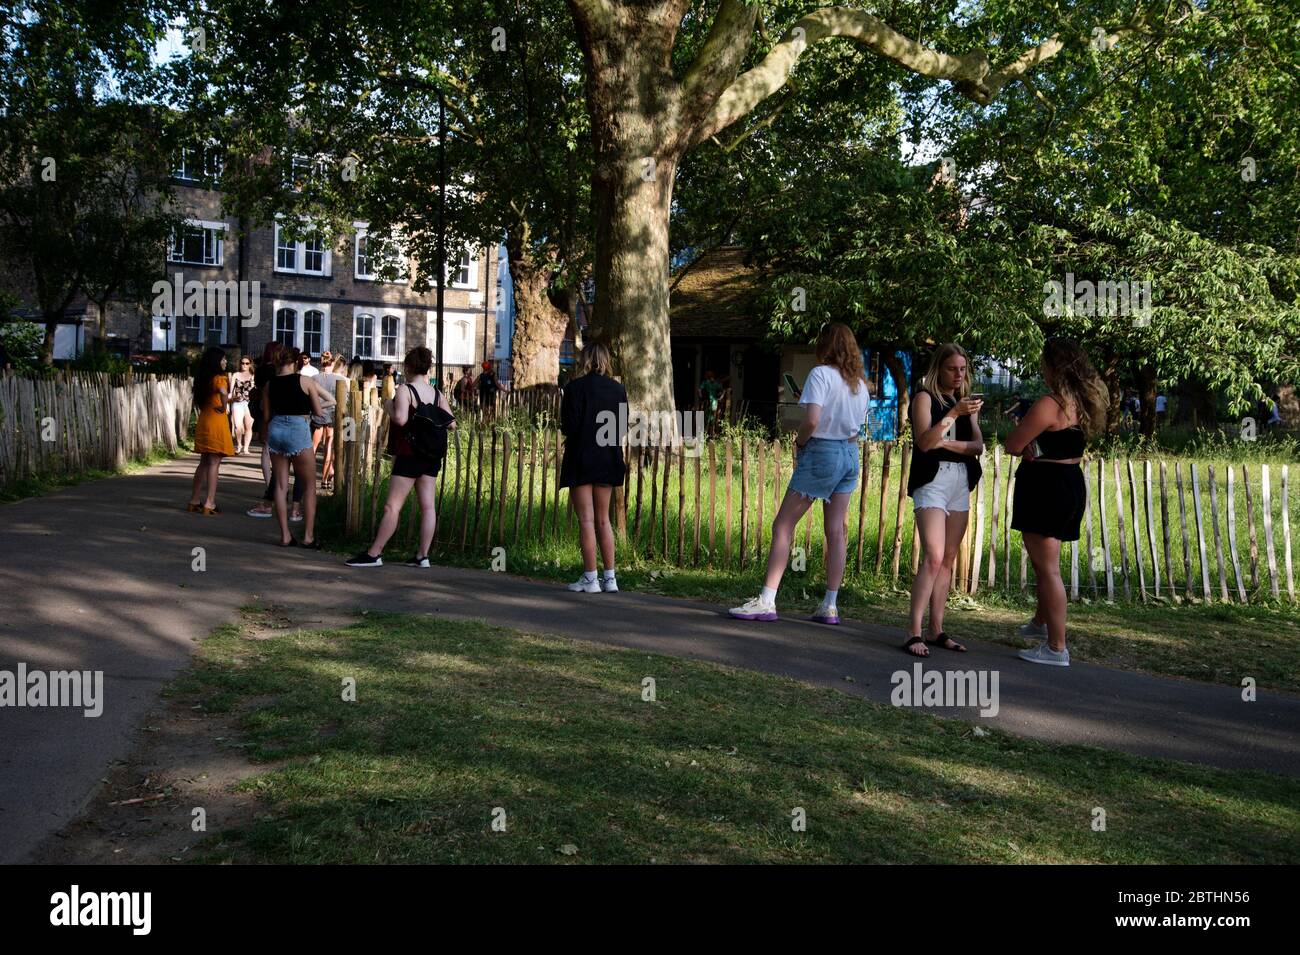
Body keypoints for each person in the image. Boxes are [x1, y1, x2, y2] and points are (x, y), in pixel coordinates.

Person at [730, 323, 871, 624]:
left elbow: (812, 420)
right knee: (837, 532)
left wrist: (800, 441)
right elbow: (857, 426)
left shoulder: (820, 374)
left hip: (822, 451)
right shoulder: (860, 383)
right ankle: (830, 605)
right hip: (849, 453)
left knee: (783, 525)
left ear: (825, 346)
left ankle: (767, 600)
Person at [1005, 337, 1108, 667]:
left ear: (1054, 366)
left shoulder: (1051, 403)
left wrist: (1025, 436)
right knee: (1044, 562)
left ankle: (1056, 647)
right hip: (1069, 484)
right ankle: (1040, 623)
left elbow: (1013, 444)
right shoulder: (1084, 402)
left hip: (1045, 488)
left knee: (1047, 568)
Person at [901, 344, 984, 656]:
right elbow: (924, 442)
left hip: (960, 480)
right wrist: (952, 415)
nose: (959, 375)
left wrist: (947, 443)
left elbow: (977, 447)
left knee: (949, 558)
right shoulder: (925, 398)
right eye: (953, 369)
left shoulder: (965, 403)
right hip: (932, 482)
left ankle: (936, 629)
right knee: (933, 556)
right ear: (940, 369)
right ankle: (913, 631)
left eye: (963, 369)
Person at [346, 346, 454, 567]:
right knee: (428, 507)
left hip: (409, 454)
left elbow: (401, 419)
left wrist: (388, 406)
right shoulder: (437, 394)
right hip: (431, 456)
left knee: (392, 506)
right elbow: (452, 423)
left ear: (409, 366)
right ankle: (422, 556)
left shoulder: (406, 390)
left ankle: (374, 554)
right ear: (428, 368)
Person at [558, 339, 627, 593]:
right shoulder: (617, 390)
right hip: (608, 456)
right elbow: (620, 427)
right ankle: (610, 578)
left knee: (586, 520)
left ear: (585, 360)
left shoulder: (574, 388)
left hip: (581, 456)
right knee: (603, 520)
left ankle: (590, 578)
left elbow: (569, 427)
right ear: (606, 360)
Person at [262, 346, 323, 548]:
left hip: (276, 428)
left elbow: (266, 416)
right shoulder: (305, 381)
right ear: (296, 361)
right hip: (298, 429)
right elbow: (318, 410)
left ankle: (285, 536)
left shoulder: (269, 385)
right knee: (309, 486)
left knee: (280, 485)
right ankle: (308, 536)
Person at [247, 342, 305, 521]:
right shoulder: (301, 380)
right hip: (298, 426)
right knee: (301, 471)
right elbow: (324, 403)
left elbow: (265, 410)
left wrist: (265, 426)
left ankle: (270, 505)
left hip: (276, 423)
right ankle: (296, 510)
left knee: (279, 472)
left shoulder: (270, 379)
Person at [188, 347, 234, 515]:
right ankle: (210, 502)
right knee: (214, 463)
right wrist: (224, 405)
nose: (225, 362)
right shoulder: (220, 378)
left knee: (203, 463)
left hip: (204, 421)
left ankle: (194, 500)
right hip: (216, 421)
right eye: (223, 359)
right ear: (216, 361)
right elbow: (222, 392)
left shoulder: (203, 379)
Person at [315, 355, 349, 491]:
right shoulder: (342, 380)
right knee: (330, 446)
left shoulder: (316, 377)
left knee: (315, 446)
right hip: (333, 416)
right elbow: (345, 400)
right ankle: (326, 478)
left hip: (318, 414)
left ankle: (307, 477)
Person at [229, 355, 255, 455]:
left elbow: (255, 390)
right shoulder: (235, 375)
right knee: (238, 425)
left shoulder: (253, 375)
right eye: (242, 363)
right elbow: (230, 391)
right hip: (237, 402)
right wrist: (229, 403)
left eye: (247, 363)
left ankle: (246, 448)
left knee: (248, 427)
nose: (244, 365)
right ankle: (239, 445)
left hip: (249, 403)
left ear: (250, 364)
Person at [700, 369, 725, 434]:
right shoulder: (706, 382)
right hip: (707, 402)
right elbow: (699, 389)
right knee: (708, 417)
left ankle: (712, 431)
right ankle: (708, 431)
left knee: (713, 417)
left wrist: (720, 398)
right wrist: (701, 396)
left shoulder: (716, 383)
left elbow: (723, 391)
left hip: (713, 402)